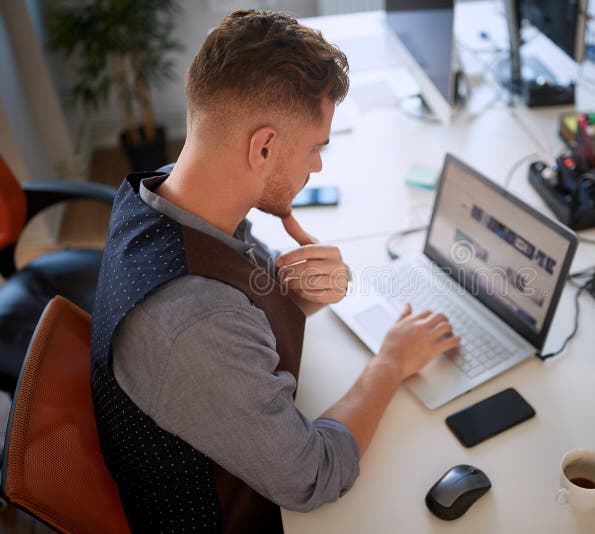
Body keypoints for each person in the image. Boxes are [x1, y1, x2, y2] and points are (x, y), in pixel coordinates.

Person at [89, 9, 460, 532]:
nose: (317, 167)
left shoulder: (171, 192)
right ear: (262, 146)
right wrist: (391, 362)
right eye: (314, 148)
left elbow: (238, 295)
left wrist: (298, 296)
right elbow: (312, 476)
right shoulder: (192, 323)